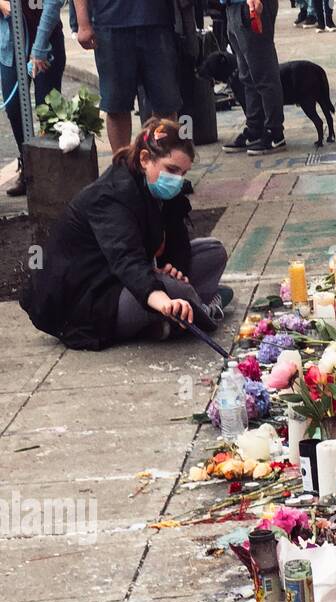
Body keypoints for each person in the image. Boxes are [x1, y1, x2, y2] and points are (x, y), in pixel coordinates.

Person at [20, 116, 232, 350]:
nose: (177, 180)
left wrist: (174, 265)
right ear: (144, 159)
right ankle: (199, 309)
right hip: (88, 297)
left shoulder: (160, 187)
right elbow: (126, 260)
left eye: (183, 173)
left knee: (214, 252)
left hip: (130, 276)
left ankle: (176, 315)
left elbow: (178, 238)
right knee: (175, 291)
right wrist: (162, 300)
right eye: (172, 169)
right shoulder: (110, 196)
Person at [73, 0, 181, 154]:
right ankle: (123, 170)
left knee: (166, 104)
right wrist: (83, 23)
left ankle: (163, 165)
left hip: (157, 22)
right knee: (116, 106)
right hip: (110, 23)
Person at [0, 0, 66, 196]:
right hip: (10, 46)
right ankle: (28, 166)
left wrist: (39, 48)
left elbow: (53, 4)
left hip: (47, 42)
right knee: (14, 108)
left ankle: (50, 171)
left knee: (48, 109)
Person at [221, 0, 286, 153]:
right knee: (247, 75)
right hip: (233, 7)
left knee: (263, 73)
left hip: (249, 5)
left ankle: (274, 132)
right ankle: (255, 128)